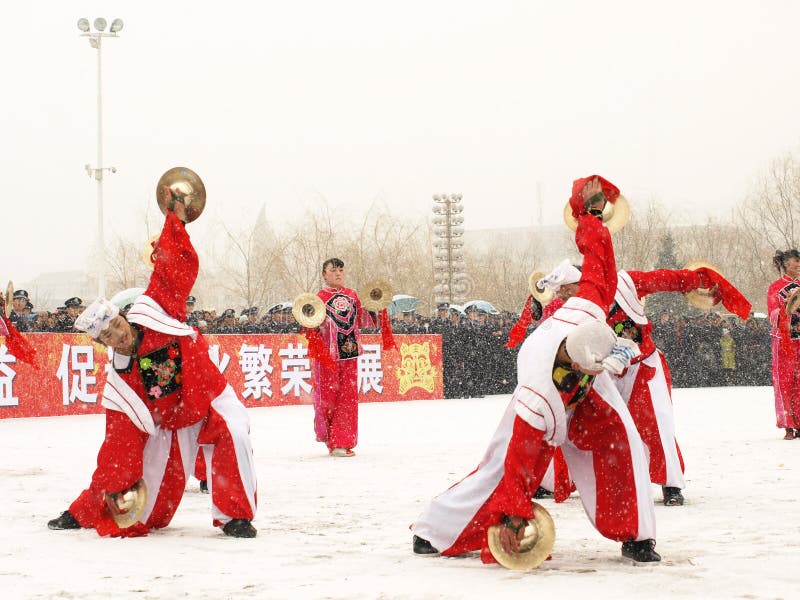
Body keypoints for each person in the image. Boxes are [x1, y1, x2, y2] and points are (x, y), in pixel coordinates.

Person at [412, 175, 660, 564]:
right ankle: (438, 529)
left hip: (587, 391)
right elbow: (519, 458)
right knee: (498, 471)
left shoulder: (591, 309)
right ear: (569, 358)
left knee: (622, 441)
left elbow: (600, 261)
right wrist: (514, 513)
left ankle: (638, 536)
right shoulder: (538, 381)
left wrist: (590, 213)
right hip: (548, 398)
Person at [47, 189, 258, 538]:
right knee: (149, 512)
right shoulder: (120, 382)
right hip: (169, 421)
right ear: (102, 343)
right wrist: (91, 505)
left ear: (122, 316)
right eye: (109, 335)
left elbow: (170, 270)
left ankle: (235, 517)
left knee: (233, 432)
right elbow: (117, 449)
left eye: (116, 324)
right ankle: (89, 509)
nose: (119, 334)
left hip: (206, 396)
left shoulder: (154, 311)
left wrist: (174, 220)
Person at [310, 258, 378, 458]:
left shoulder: (352, 295)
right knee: (327, 398)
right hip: (327, 356)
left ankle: (341, 441)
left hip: (350, 353)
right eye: (333, 270)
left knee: (347, 399)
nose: (338, 273)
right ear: (324, 274)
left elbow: (365, 321)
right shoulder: (318, 298)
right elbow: (310, 324)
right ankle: (330, 437)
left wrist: (374, 306)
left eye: (341, 269)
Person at [767, 249, 800, 439]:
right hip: (784, 342)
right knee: (785, 383)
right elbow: (772, 314)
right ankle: (788, 425)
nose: (798, 264)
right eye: (796, 261)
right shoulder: (776, 287)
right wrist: (787, 306)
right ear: (786, 263)